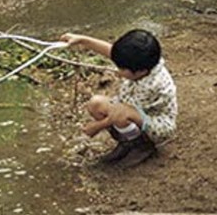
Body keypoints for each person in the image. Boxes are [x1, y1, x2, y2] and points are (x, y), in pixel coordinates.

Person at [61, 28, 178, 167]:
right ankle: (127, 142)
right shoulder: (144, 62)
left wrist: (96, 127)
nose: (118, 71)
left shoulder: (151, 84)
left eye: (122, 69)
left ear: (141, 72)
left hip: (157, 123)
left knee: (120, 114)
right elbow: (110, 51)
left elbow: (123, 111)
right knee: (96, 104)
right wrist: (82, 40)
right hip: (132, 109)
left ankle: (142, 146)